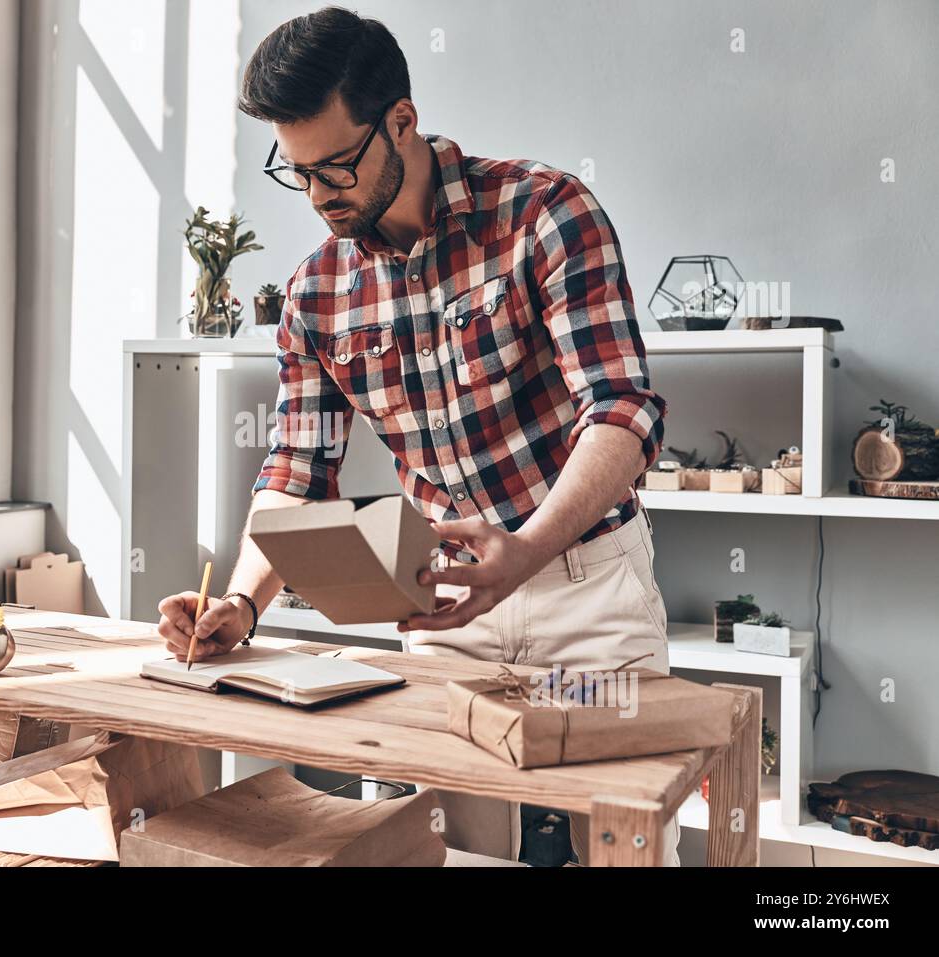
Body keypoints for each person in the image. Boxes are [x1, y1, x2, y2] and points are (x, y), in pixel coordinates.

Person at [155, 6, 676, 865]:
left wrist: (527, 548)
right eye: (300, 174)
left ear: (402, 119)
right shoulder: (316, 295)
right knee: (450, 853)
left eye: (337, 167)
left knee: (621, 842)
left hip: (589, 596)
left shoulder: (543, 214)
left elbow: (620, 411)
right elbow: (296, 467)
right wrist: (241, 604)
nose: (322, 197)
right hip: (445, 619)